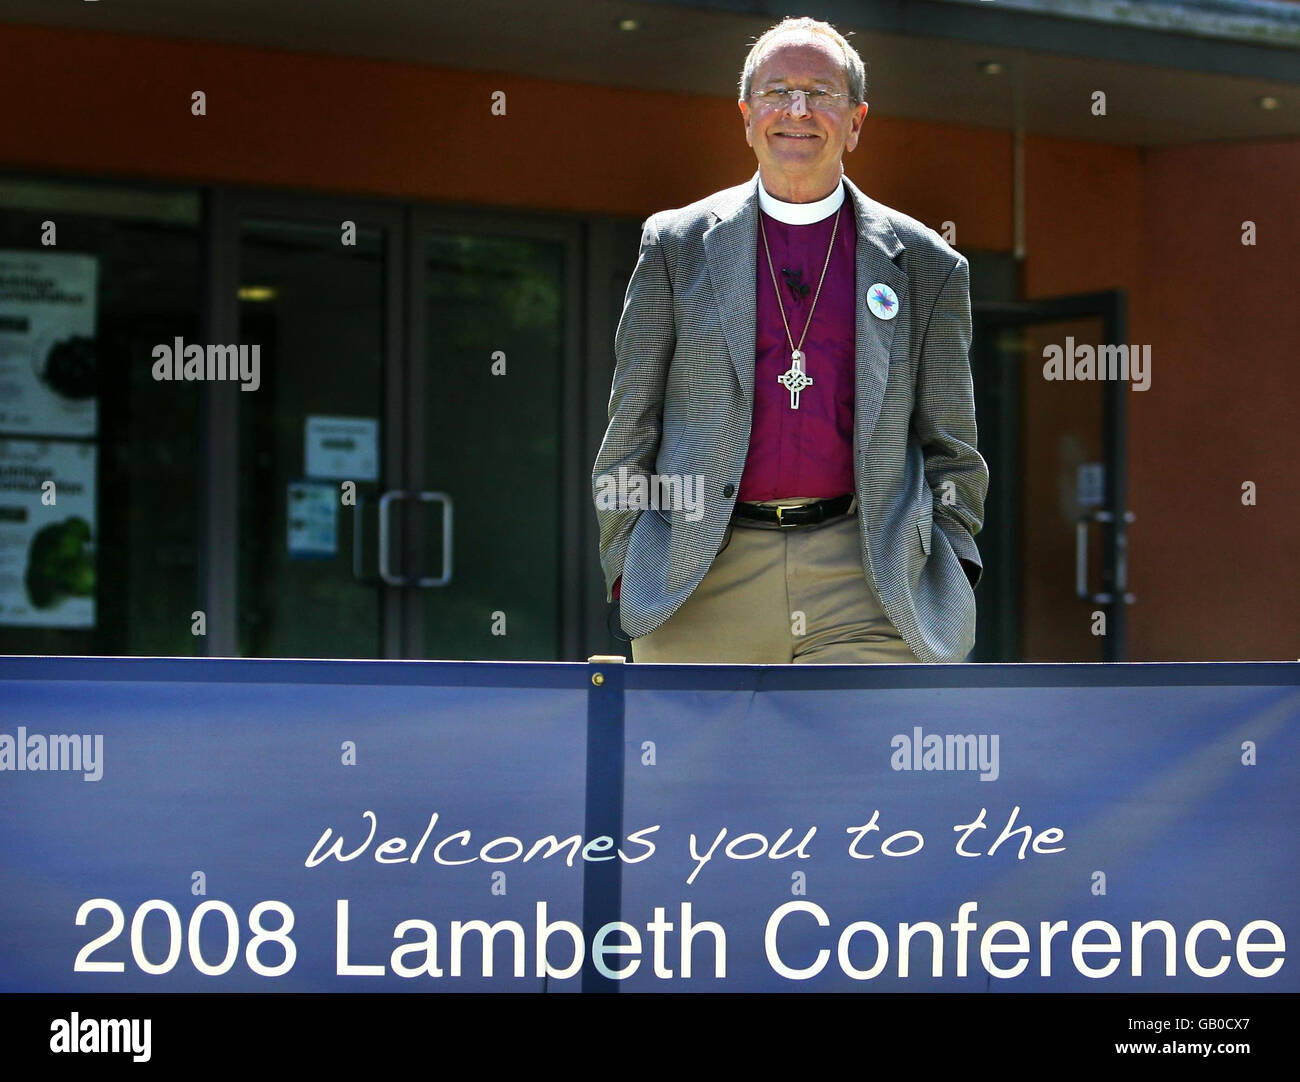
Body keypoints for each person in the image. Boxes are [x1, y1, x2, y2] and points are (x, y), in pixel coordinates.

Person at [592, 16, 988, 664]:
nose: (797, 110)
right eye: (777, 92)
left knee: (848, 768)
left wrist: (953, 563)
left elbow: (954, 448)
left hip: (864, 578)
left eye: (820, 93)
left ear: (856, 121)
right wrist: (627, 561)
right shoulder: (674, 247)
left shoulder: (928, 265)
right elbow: (630, 426)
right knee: (701, 771)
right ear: (747, 116)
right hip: (698, 577)